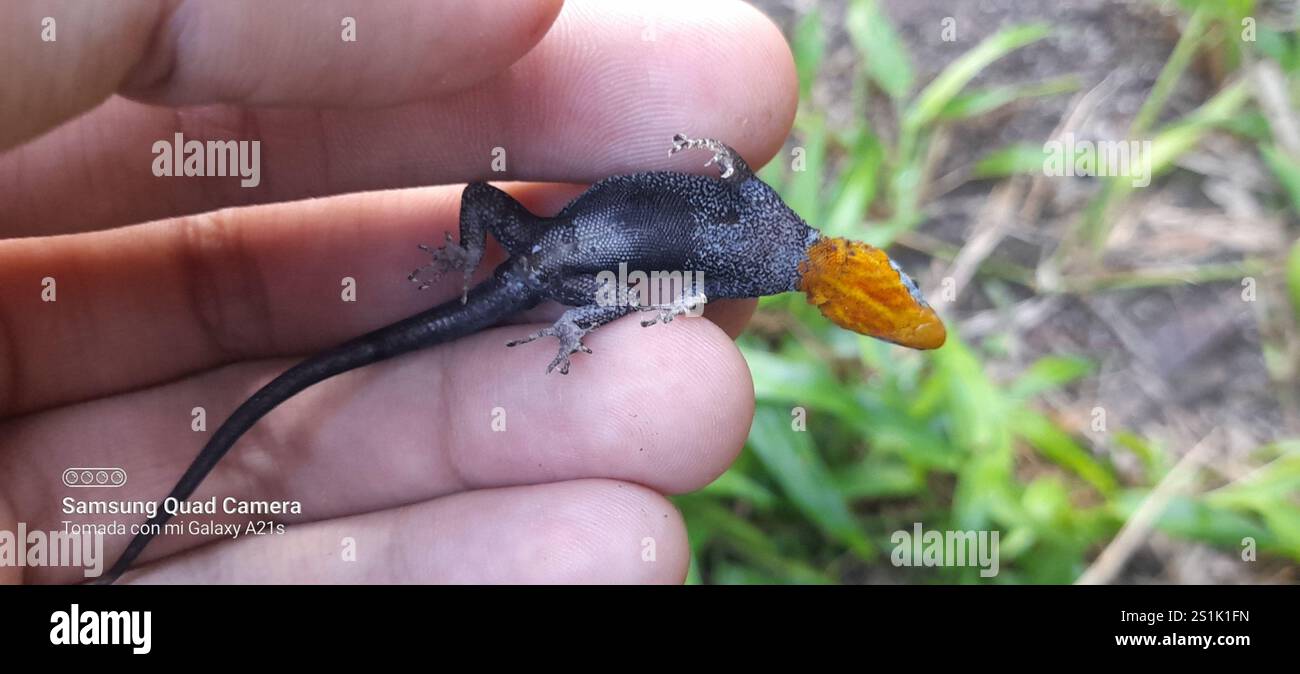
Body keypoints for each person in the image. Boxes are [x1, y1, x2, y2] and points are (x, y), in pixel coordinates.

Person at [0, 0, 798, 583]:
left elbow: (496, 197)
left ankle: (524, 290)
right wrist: (582, 317)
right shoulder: (732, 246)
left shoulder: (736, 231)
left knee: (499, 224)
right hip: (560, 269)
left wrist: (477, 265)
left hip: (539, 252)